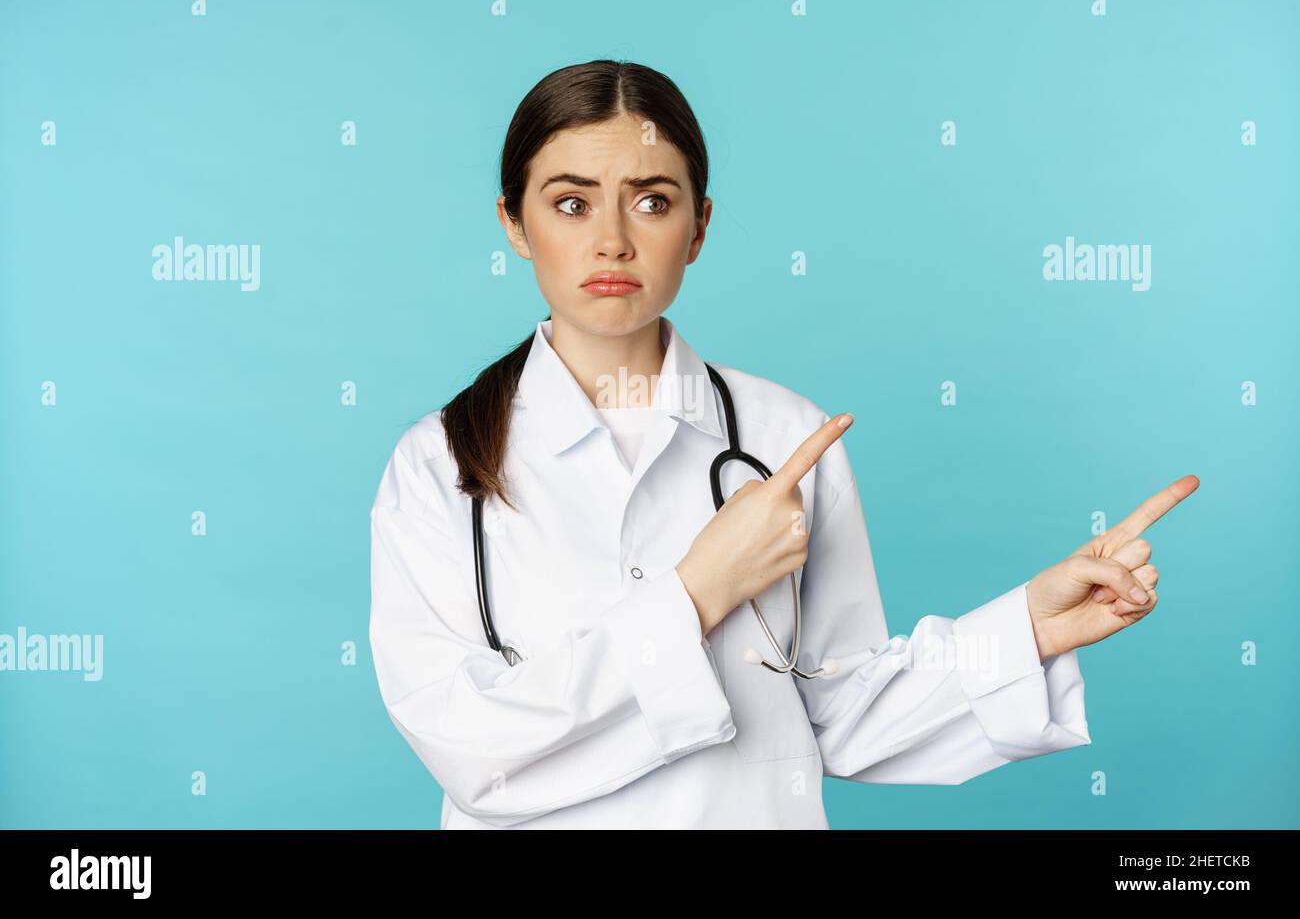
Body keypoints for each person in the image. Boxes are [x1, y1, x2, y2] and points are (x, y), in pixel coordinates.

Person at [368, 59, 1199, 829]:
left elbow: (844, 712)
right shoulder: (436, 465)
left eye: (653, 200)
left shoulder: (785, 437)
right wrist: (698, 590)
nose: (613, 239)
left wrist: (1029, 629)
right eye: (571, 202)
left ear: (698, 228)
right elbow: (470, 750)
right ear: (514, 223)